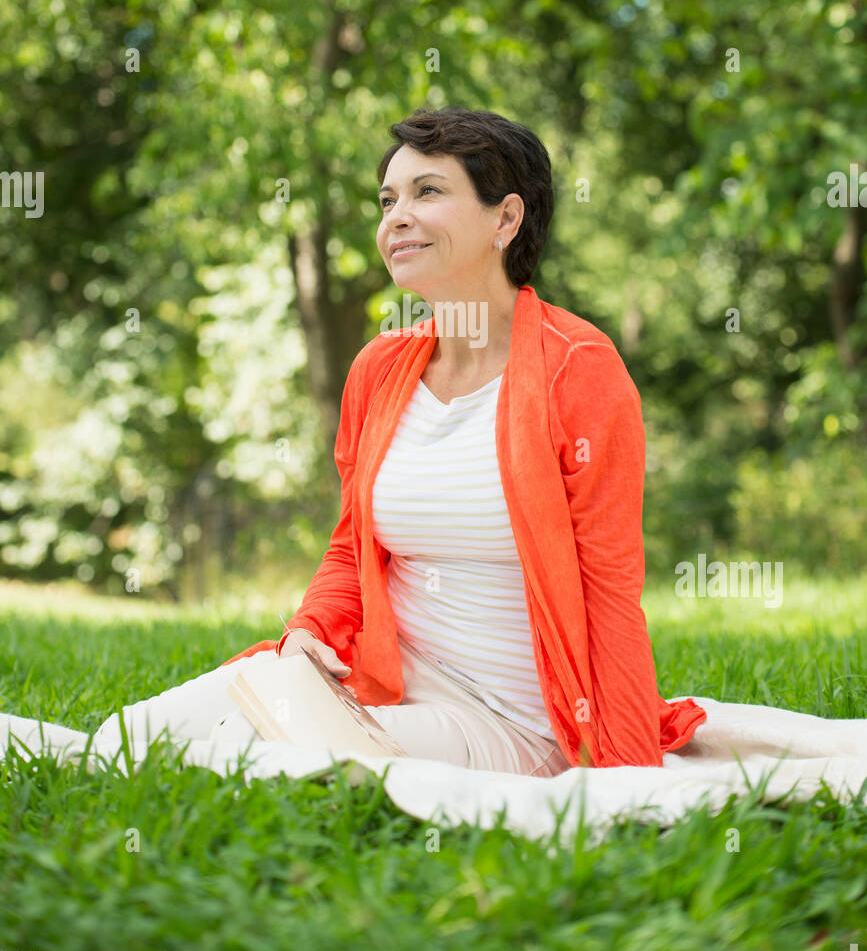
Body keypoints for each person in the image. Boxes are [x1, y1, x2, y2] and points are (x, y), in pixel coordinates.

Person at [10, 106, 711, 775]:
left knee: (247, 758)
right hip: (385, 682)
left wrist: (624, 776)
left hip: (513, 719)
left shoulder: (577, 368)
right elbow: (352, 545)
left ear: (505, 217)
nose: (396, 217)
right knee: (128, 738)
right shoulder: (381, 369)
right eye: (386, 200)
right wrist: (311, 631)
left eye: (426, 192)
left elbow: (608, 589)